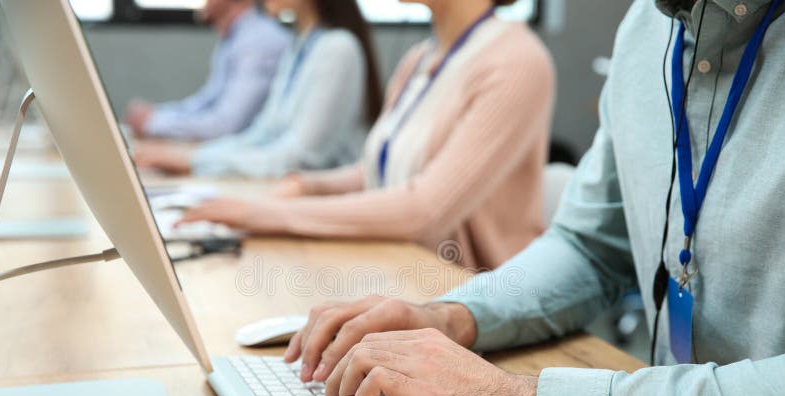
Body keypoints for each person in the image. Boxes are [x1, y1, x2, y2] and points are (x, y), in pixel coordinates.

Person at [280, 0, 785, 396]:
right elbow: (590, 246)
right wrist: (450, 316)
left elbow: (424, 206)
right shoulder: (647, 28)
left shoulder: (514, 56)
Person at [177, 0, 555, 270]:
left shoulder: (516, 61)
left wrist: (265, 213)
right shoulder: (420, 59)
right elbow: (380, 171)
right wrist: (308, 186)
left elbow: (423, 210)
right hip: (403, 271)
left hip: (476, 294)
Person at [135, 0, 381, 179]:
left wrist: (194, 159)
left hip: (324, 205)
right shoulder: (300, 45)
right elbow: (260, 134)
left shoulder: (338, 49)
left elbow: (300, 159)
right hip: (292, 194)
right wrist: (192, 156)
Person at [126, 0, 289, 141]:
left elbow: (226, 125)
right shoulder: (235, 36)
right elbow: (207, 101)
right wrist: (158, 115)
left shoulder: (260, 41)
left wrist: (155, 123)